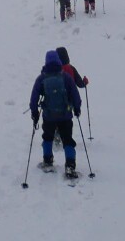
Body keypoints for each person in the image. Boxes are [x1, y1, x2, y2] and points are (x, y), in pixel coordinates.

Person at [29, 49, 82, 178]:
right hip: (65, 115)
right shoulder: (66, 77)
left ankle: (47, 161)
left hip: (48, 116)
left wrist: (34, 113)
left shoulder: (41, 78)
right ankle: (70, 166)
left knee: (47, 137)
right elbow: (75, 94)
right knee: (67, 139)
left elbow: (34, 97)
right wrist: (77, 108)